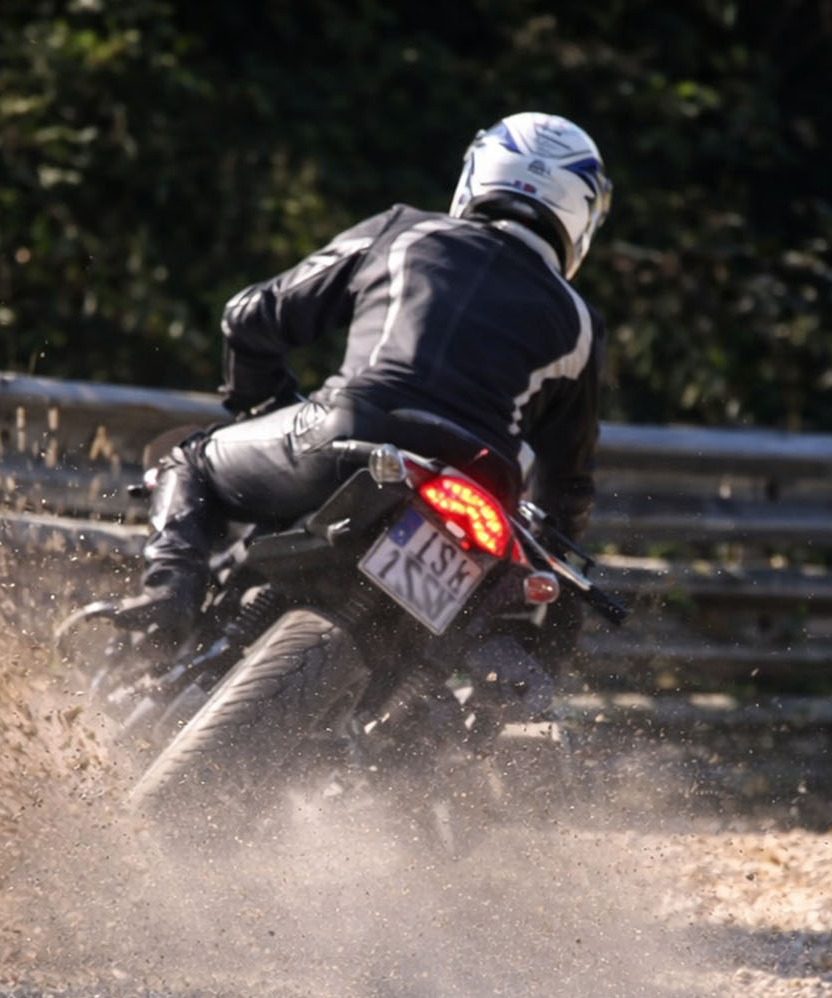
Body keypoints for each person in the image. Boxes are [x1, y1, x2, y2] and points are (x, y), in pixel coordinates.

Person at [120, 111, 612, 654]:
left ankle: (166, 611)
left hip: (353, 431)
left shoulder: (405, 231)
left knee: (190, 460)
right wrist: (551, 545)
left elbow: (249, 317)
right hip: (482, 492)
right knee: (487, 640)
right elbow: (570, 486)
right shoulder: (582, 323)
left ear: (479, 169)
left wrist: (265, 404)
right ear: (582, 216)